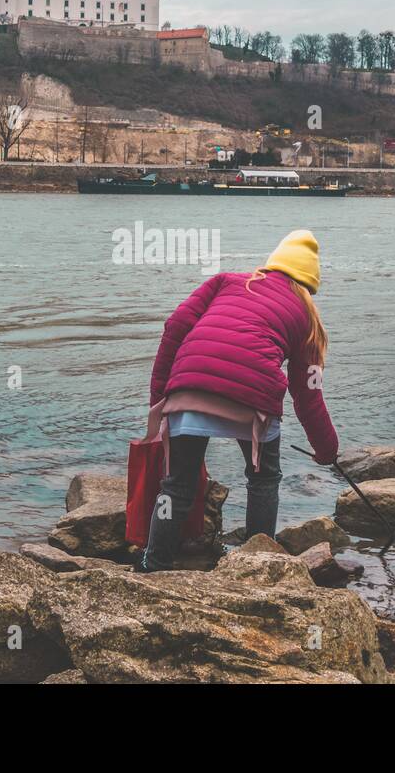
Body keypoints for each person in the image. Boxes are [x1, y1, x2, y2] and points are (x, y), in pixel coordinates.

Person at [141, 230, 339, 572]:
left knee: (176, 485)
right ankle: (255, 566)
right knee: (263, 479)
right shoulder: (307, 317)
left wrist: (159, 398)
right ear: (310, 284)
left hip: (189, 386)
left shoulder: (226, 281)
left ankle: (152, 565)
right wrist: (327, 450)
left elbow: (174, 327)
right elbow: (307, 393)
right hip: (252, 402)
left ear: (273, 263)